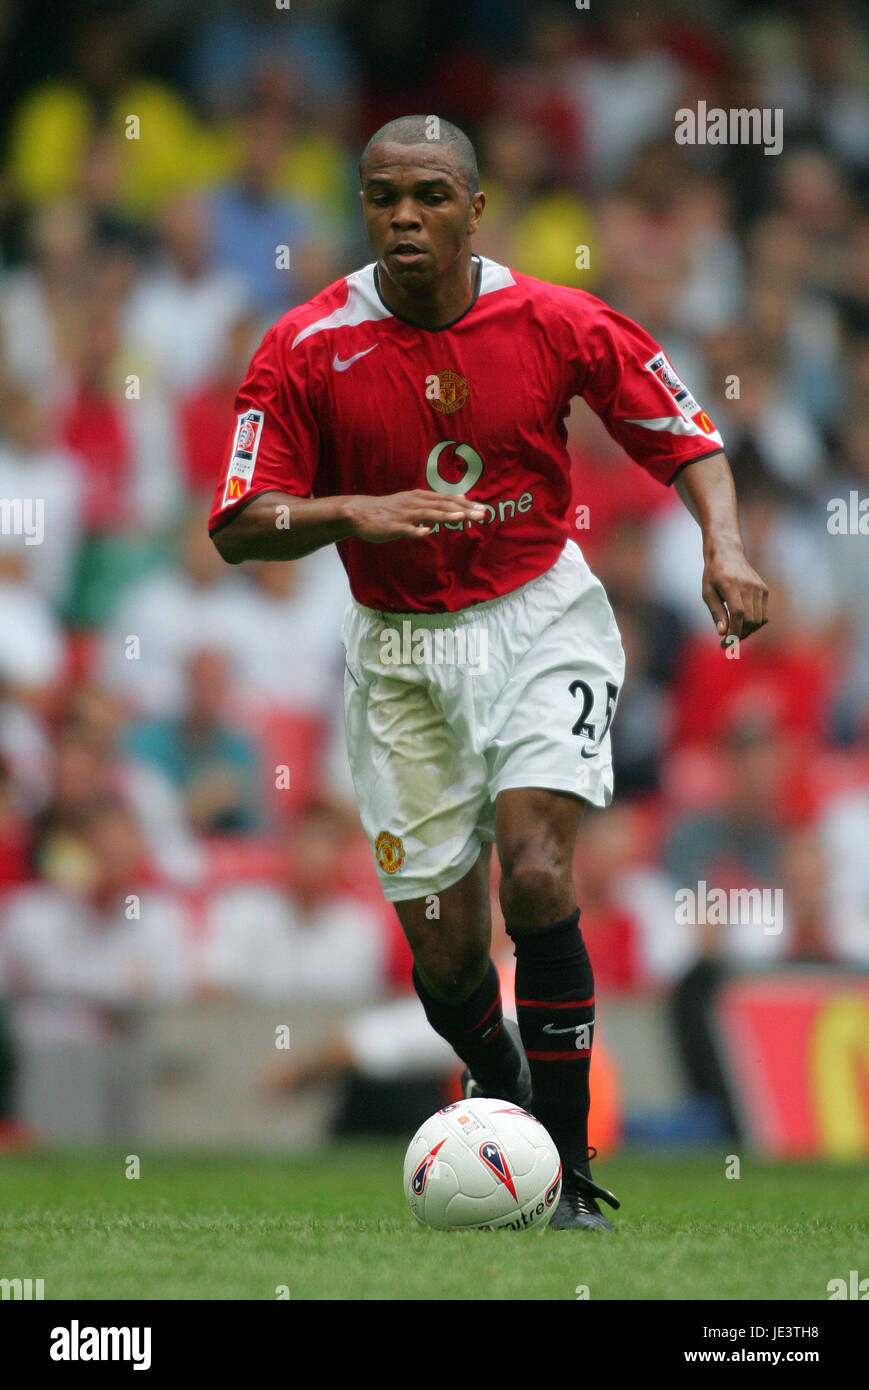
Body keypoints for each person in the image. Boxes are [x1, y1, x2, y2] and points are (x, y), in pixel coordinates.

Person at [208, 115, 769, 1230]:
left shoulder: (555, 319)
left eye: (426, 195)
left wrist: (724, 543)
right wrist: (350, 511)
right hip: (400, 654)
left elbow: (684, 430)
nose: (402, 218)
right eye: (381, 199)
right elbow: (237, 523)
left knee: (539, 871)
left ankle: (565, 1166)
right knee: (449, 955)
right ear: (361, 208)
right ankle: (502, 1083)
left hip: (537, 617)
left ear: (476, 207)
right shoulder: (305, 347)